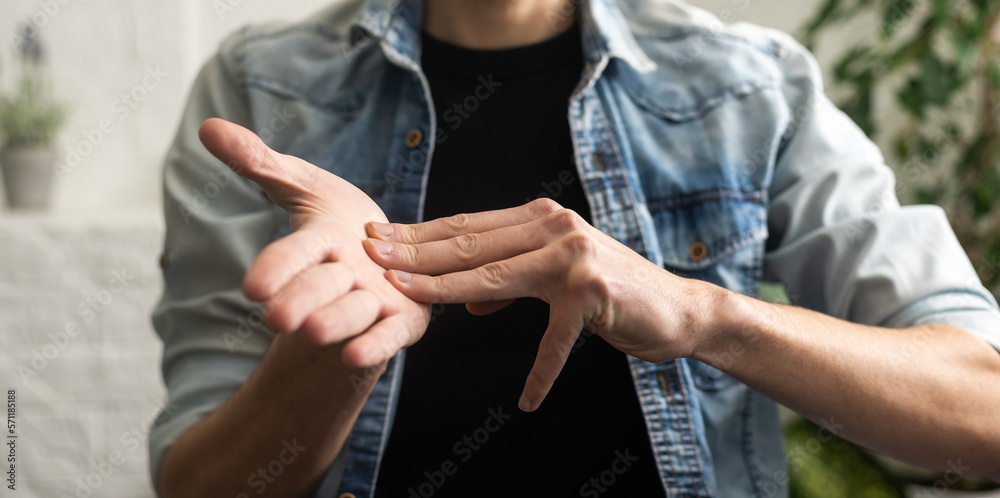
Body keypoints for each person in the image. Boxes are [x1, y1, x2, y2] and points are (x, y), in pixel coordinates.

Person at [148, 0, 1000, 496]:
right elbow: (199, 485)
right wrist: (333, 350)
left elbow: (983, 415)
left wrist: (705, 315)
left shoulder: (750, 85)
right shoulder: (262, 85)